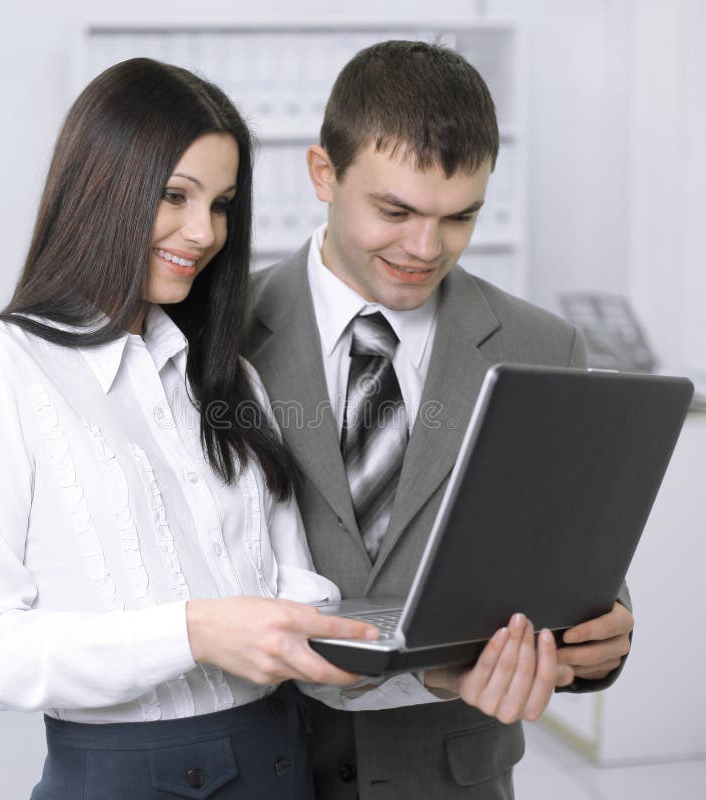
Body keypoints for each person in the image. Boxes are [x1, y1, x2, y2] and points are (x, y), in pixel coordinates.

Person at [0, 58, 391, 800]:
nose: (204, 234)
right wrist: (192, 632)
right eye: (175, 196)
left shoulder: (229, 379)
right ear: (101, 188)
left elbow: (295, 595)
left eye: (223, 204)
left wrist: (410, 657)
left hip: (286, 761)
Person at [244, 41, 635, 799]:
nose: (425, 250)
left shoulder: (541, 345)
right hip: (269, 763)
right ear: (323, 173)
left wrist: (604, 634)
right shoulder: (219, 337)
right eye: (395, 211)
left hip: (452, 777)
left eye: (460, 218)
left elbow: (576, 561)